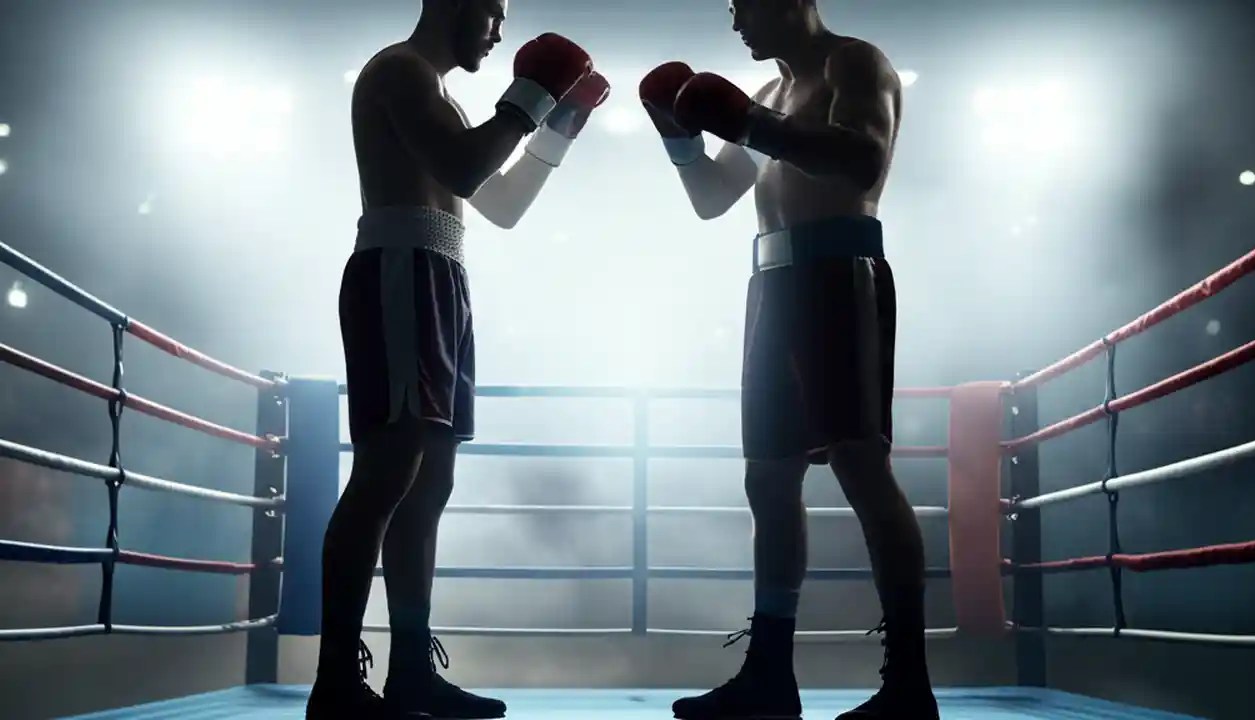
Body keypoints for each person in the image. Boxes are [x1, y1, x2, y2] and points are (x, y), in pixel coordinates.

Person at [306, 0, 610, 717]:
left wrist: (557, 127)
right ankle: (336, 681)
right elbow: (467, 168)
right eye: (493, 12)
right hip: (399, 269)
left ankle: (411, 666)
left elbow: (498, 204)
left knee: (428, 479)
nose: (499, 30)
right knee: (387, 472)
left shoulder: (438, 91)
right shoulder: (398, 71)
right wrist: (532, 95)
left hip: (440, 272)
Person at [639, 1, 938, 718]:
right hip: (772, 282)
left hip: (840, 268)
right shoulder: (768, 94)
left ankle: (908, 685)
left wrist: (750, 125)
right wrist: (679, 136)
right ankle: (769, 675)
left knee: (861, 466)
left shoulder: (853, 62)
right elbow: (714, 199)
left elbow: (862, 160)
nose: (737, 22)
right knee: (767, 481)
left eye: (746, 5)